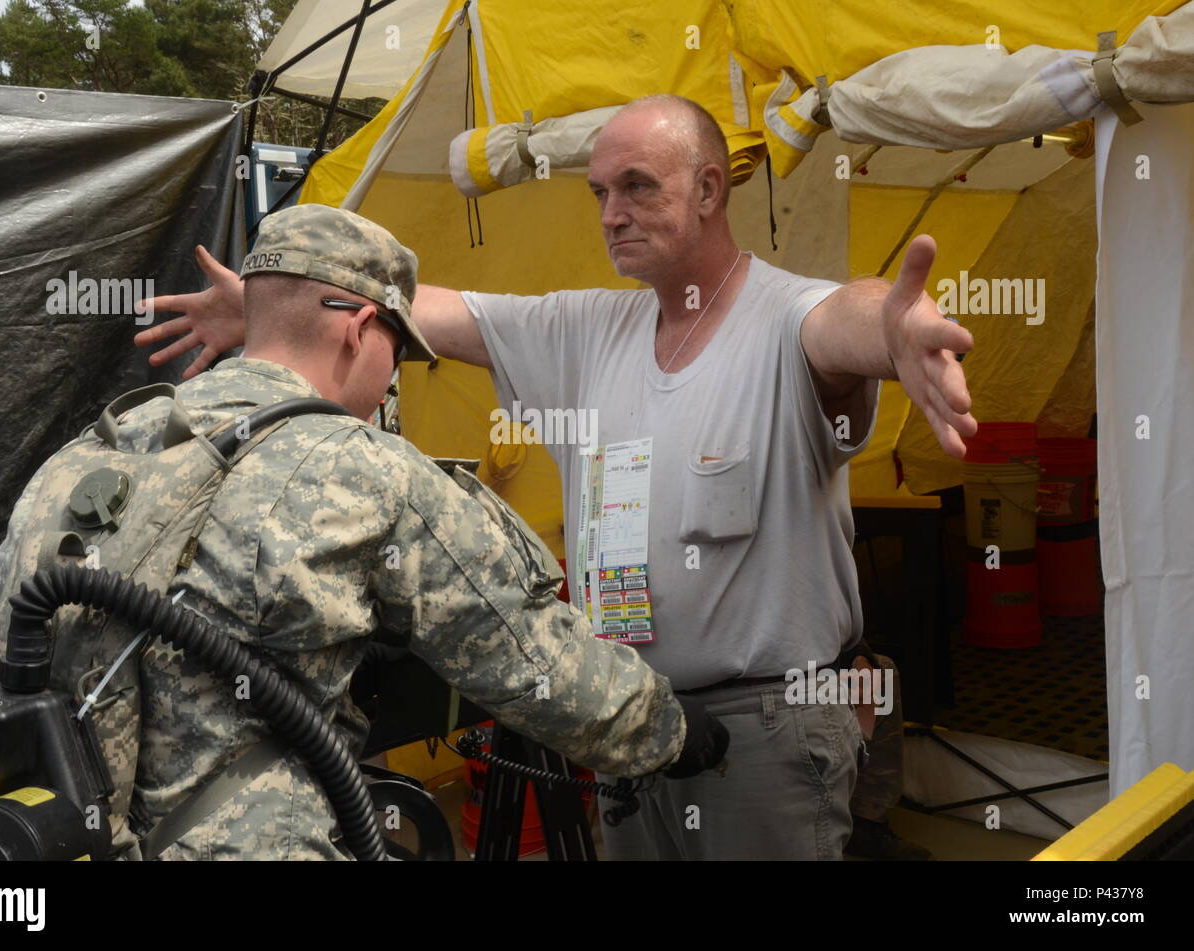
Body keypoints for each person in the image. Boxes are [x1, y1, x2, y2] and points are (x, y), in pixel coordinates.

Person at [137, 95, 974, 859]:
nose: (612, 214)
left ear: (711, 189)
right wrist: (267, 306)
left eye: (638, 187)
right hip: (631, 726)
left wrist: (894, 330)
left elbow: (847, 320)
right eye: (600, 192)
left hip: (762, 733)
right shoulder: (587, 329)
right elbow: (427, 305)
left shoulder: (787, 318)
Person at [0, 203, 727, 861]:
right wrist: (674, 730)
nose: (390, 380)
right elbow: (535, 663)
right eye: (398, 354)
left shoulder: (96, 450)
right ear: (361, 328)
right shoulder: (365, 469)